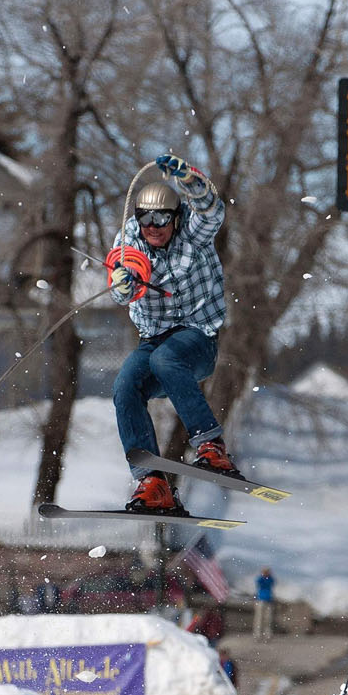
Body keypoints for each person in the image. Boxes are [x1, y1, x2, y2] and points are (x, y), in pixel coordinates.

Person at [106, 154, 236, 514]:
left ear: (176, 218)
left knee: (167, 359)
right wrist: (122, 285)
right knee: (125, 387)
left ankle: (211, 446)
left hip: (197, 338)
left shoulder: (193, 235)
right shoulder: (130, 241)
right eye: (146, 217)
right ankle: (152, 481)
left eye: (162, 217)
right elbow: (122, 288)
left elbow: (212, 212)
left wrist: (190, 179)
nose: (154, 226)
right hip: (154, 340)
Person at [253, 567, 275, 640]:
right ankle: (258, 634)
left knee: (268, 619)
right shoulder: (261, 579)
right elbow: (257, 582)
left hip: (269, 600)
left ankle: (267, 634)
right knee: (259, 618)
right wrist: (263, 576)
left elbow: (272, 583)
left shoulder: (270, 579)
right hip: (261, 600)